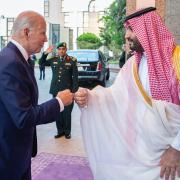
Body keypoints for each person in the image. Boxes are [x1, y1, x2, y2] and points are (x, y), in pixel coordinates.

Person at [75, 7, 180, 180]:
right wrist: (89, 97)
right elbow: (115, 97)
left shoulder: (176, 60)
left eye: (131, 29)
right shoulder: (132, 64)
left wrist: (176, 149)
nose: (126, 35)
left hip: (173, 155)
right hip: (141, 152)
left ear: (147, 29)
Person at [0, 11, 73, 180]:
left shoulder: (21, 59)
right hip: (8, 158)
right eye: (42, 33)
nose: (46, 39)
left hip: (18, 154)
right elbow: (24, 116)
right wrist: (59, 102)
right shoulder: (9, 62)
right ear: (26, 32)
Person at [39, 42, 78, 139]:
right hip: (56, 90)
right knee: (58, 111)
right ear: (58, 50)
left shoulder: (72, 61)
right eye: (60, 49)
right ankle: (60, 131)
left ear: (66, 50)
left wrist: (74, 91)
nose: (61, 51)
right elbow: (41, 63)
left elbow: (75, 77)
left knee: (67, 112)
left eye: (63, 49)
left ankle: (67, 132)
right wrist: (45, 53)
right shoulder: (53, 60)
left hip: (67, 91)